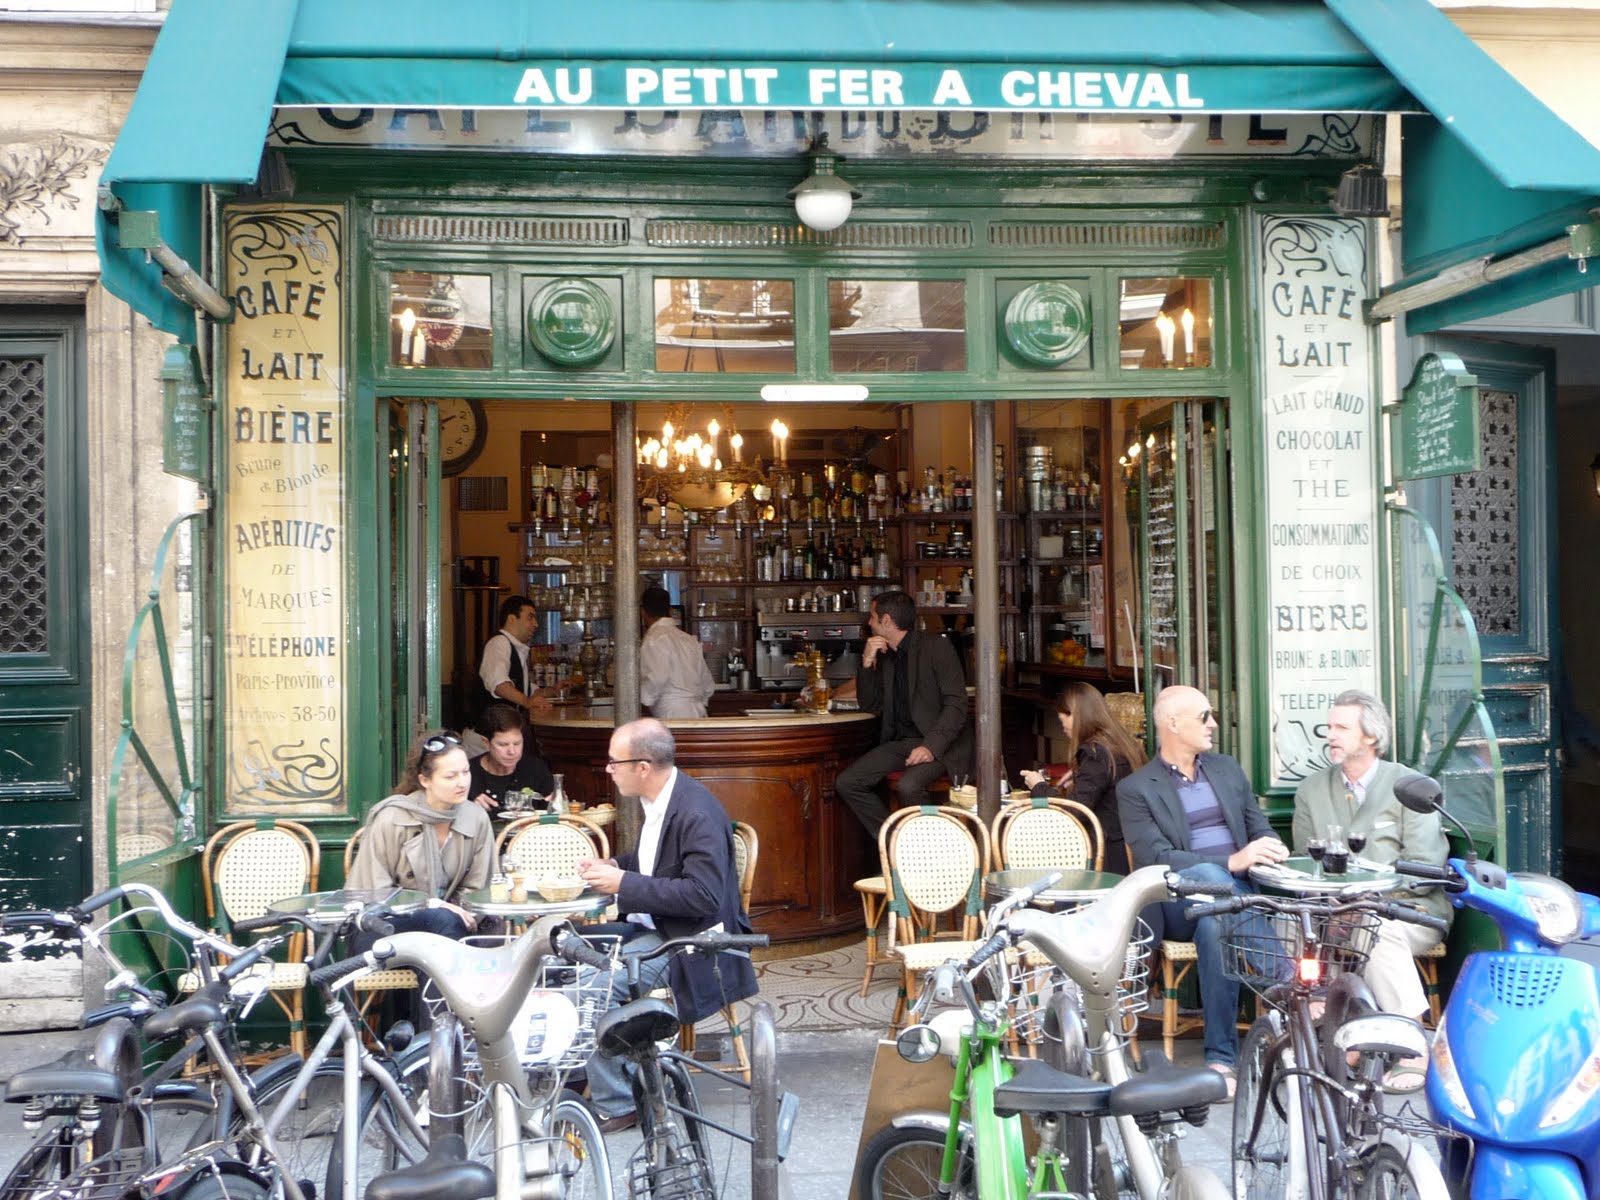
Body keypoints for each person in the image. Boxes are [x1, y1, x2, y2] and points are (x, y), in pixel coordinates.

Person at [576, 718, 757, 1132]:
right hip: (658, 929)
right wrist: (614, 866)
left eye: (613, 762)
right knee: (563, 951)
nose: (609, 770)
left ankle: (616, 1102)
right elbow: (657, 864)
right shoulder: (664, 798)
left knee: (591, 986)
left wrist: (625, 883)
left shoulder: (695, 811)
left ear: (642, 766)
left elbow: (703, 897)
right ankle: (591, 1070)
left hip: (692, 944)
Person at [1116, 685, 1288, 1085]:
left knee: (1216, 923)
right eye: (1204, 716)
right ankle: (1289, 982)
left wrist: (1269, 847)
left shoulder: (1226, 769)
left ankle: (1221, 1061)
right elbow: (1156, 858)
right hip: (1178, 902)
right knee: (1212, 880)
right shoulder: (1136, 789)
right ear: (1173, 724)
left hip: (1237, 900)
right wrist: (1230, 862)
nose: (1213, 724)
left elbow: (1258, 827)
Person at [1292, 690, 1450, 1062]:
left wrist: (1371, 904)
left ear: (1371, 737)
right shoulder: (1311, 790)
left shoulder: (1410, 786)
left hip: (1412, 910)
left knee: (1377, 934)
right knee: (1290, 925)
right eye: (1329, 727)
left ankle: (1413, 1050)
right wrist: (1333, 902)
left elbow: (1426, 869)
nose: (1330, 735)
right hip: (1333, 911)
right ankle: (1336, 1032)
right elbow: (1305, 863)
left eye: (1342, 728)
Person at [835, 590, 974, 836]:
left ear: (886, 621)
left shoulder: (936, 647)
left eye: (872, 618)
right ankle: (896, 843)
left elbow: (956, 704)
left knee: (908, 786)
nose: (869, 623)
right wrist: (867, 662)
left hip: (942, 743)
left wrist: (930, 747)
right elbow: (871, 705)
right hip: (902, 742)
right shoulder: (886, 655)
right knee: (848, 783)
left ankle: (933, 852)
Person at [347, 730, 495, 938]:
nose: (462, 782)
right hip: (381, 926)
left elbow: (479, 889)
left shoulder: (476, 818)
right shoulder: (392, 818)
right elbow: (373, 892)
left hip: (454, 925)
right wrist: (433, 905)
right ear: (425, 781)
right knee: (443, 920)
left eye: (466, 772)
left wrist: (457, 911)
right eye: (451, 776)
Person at [1020, 682, 1145, 871]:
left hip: (1105, 855)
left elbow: (1075, 811)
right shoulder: (1120, 744)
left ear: (1079, 716)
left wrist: (1038, 787)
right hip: (1128, 847)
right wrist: (1081, 774)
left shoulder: (1096, 753)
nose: (1063, 728)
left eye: (1065, 720)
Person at [639, 585, 716, 718]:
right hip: (697, 712)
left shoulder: (654, 639)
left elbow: (657, 677)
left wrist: (643, 699)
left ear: (642, 612)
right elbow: (707, 683)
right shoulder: (688, 639)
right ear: (669, 610)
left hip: (671, 713)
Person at [468, 703, 555, 812]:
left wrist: (555, 804)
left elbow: (553, 811)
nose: (512, 752)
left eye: (517, 743)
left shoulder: (536, 769)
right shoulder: (467, 774)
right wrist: (469, 809)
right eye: (503, 745)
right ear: (486, 743)